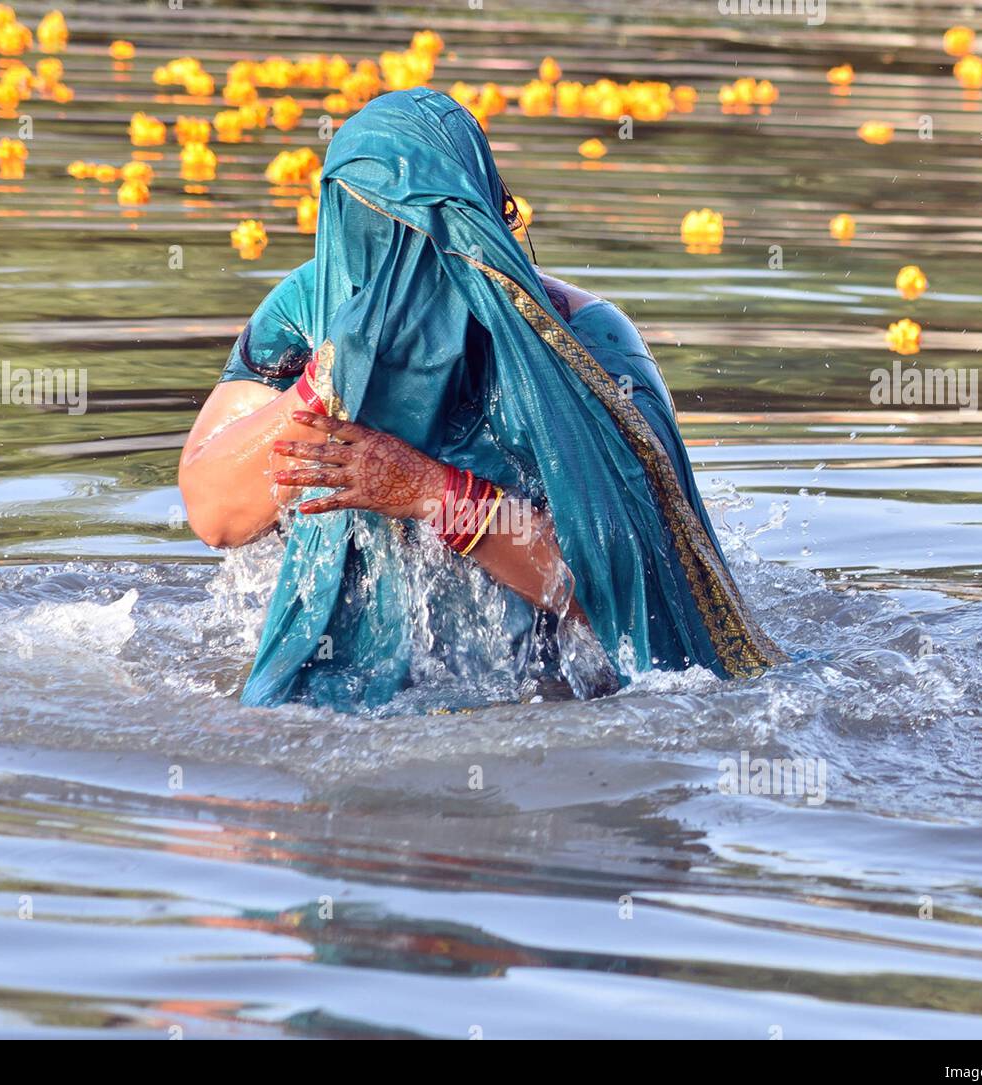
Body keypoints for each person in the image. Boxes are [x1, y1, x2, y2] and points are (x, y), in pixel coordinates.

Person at [179, 87, 784, 711]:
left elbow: (640, 594)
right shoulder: (310, 312)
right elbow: (212, 512)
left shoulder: (585, 347)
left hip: (550, 691)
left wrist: (431, 493)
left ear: (489, 225)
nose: (402, 274)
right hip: (354, 686)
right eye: (381, 241)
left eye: (431, 238)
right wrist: (323, 386)